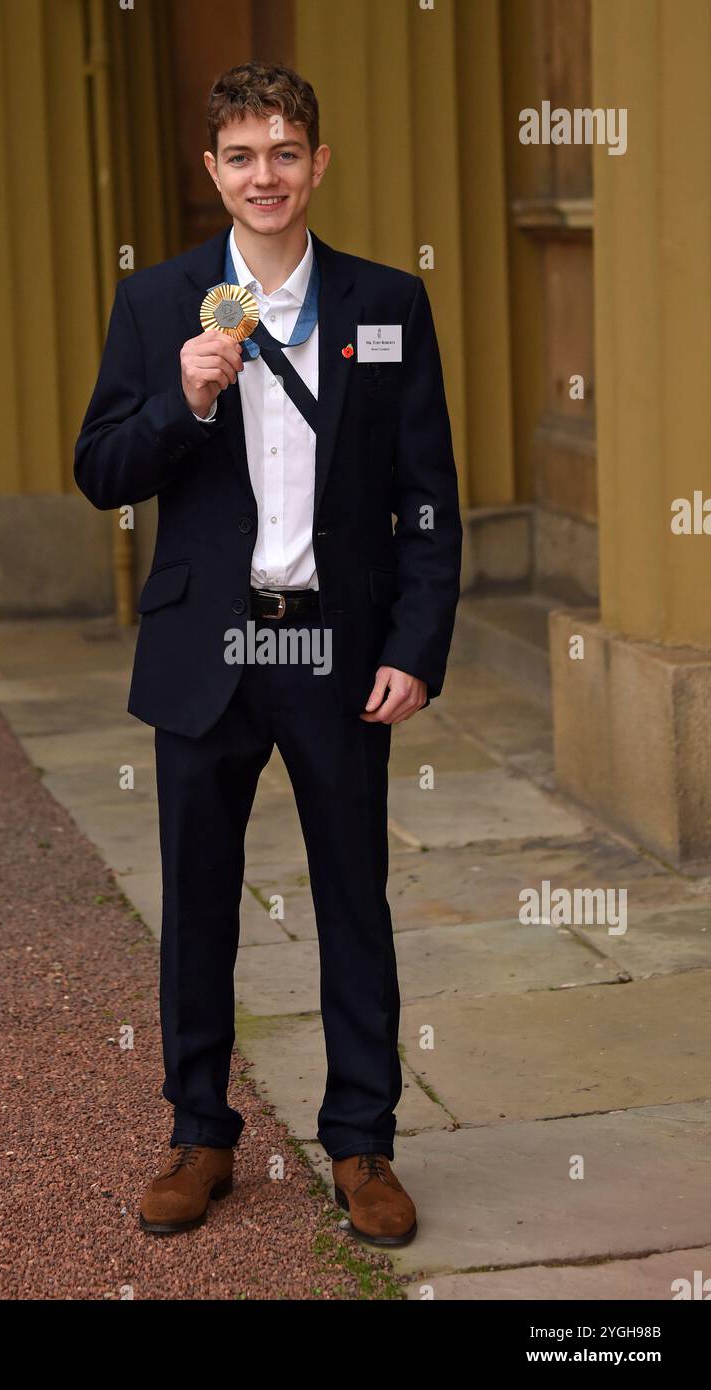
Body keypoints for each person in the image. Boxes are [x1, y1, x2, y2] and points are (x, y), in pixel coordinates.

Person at [74, 62, 462, 1248]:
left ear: (318, 163)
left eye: (285, 153)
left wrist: (417, 645)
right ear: (213, 171)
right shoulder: (157, 305)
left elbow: (429, 498)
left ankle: (363, 1143)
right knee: (196, 901)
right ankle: (200, 1132)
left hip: (336, 647)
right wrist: (178, 405)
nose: (265, 177)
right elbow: (100, 473)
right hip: (207, 647)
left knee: (354, 895)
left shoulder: (387, 304)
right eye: (241, 156)